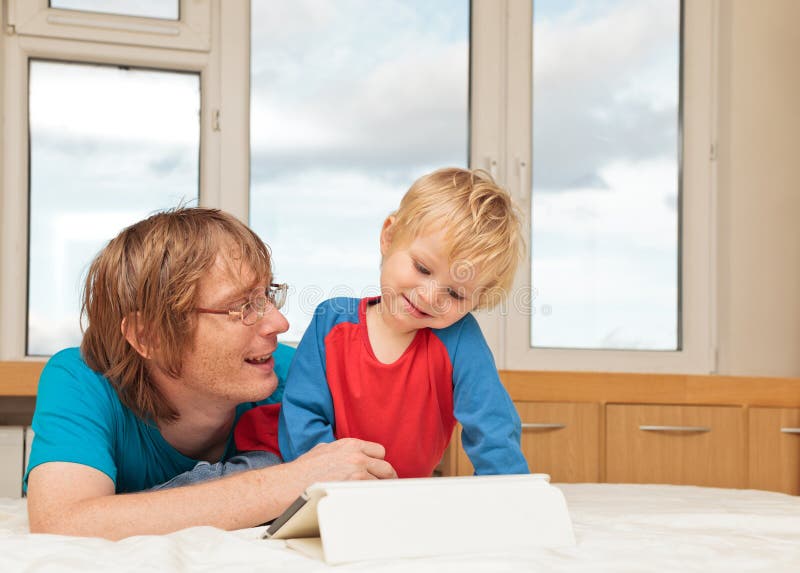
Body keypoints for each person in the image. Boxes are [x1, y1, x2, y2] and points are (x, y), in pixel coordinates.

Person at [24, 208, 396, 540]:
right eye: (241, 307)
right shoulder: (81, 380)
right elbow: (63, 520)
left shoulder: (300, 375)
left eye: (267, 296)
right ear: (147, 335)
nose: (279, 322)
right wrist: (296, 480)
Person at [236, 167, 530, 478]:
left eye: (455, 293)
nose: (430, 296)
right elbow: (302, 417)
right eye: (422, 268)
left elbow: (492, 424)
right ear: (389, 237)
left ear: (477, 301)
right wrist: (337, 482)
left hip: (384, 488)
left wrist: (510, 495)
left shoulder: (460, 340)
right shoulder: (331, 320)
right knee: (248, 484)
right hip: (285, 458)